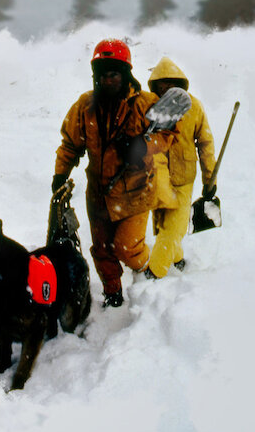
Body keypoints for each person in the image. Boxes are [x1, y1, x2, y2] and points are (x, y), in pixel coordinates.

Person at [52, 39, 175, 307]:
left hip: (137, 190)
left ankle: (147, 268)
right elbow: (70, 144)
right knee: (102, 250)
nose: (108, 80)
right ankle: (113, 294)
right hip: (98, 192)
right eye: (103, 75)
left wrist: (143, 145)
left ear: (126, 74)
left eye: (114, 74)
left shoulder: (145, 104)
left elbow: (167, 134)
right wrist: (60, 174)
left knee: (126, 247)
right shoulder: (85, 106)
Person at [144, 57, 217, 278]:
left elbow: (205, 143)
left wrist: (209, 178)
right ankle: (177, 258)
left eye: (171, 84)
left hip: (184, 176)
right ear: (155, 85)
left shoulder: (194, 107)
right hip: (157, 176)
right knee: (164, 224)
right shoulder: (150, 107)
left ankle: (154, 271)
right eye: (161, 84)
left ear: (180, 84)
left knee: (173, 227)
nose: (166, 88)